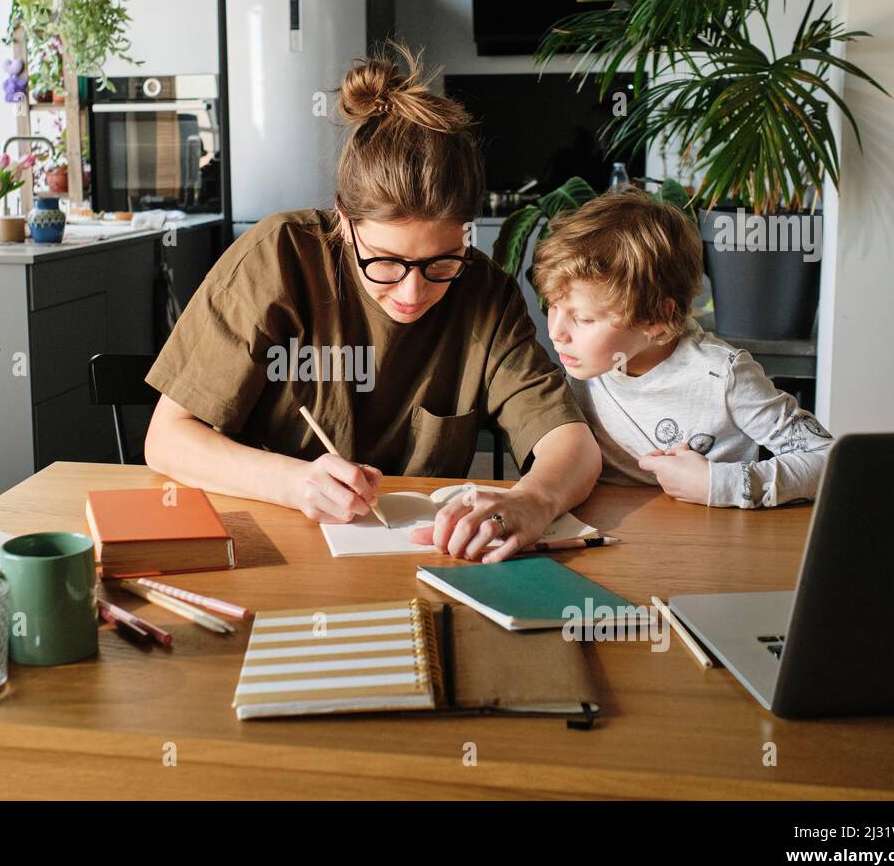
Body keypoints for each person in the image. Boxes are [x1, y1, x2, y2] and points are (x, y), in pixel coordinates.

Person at [143, 44, 601, 562]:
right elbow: (167, 439)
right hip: (271, 545)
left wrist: (534, 499)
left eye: (442, 262)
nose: (413, 293)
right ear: (344, 221)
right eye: (384, 262)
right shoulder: (279, 256)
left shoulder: (485, 293)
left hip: (421, 558)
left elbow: (571, 442)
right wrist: (294, 483)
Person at [532, 187, 834, 508]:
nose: (556, 332)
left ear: (656, 318)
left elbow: (827, 459)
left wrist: (718, 484)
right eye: (553, 306)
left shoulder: (723, 375)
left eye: (582, 318)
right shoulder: (583, 364)